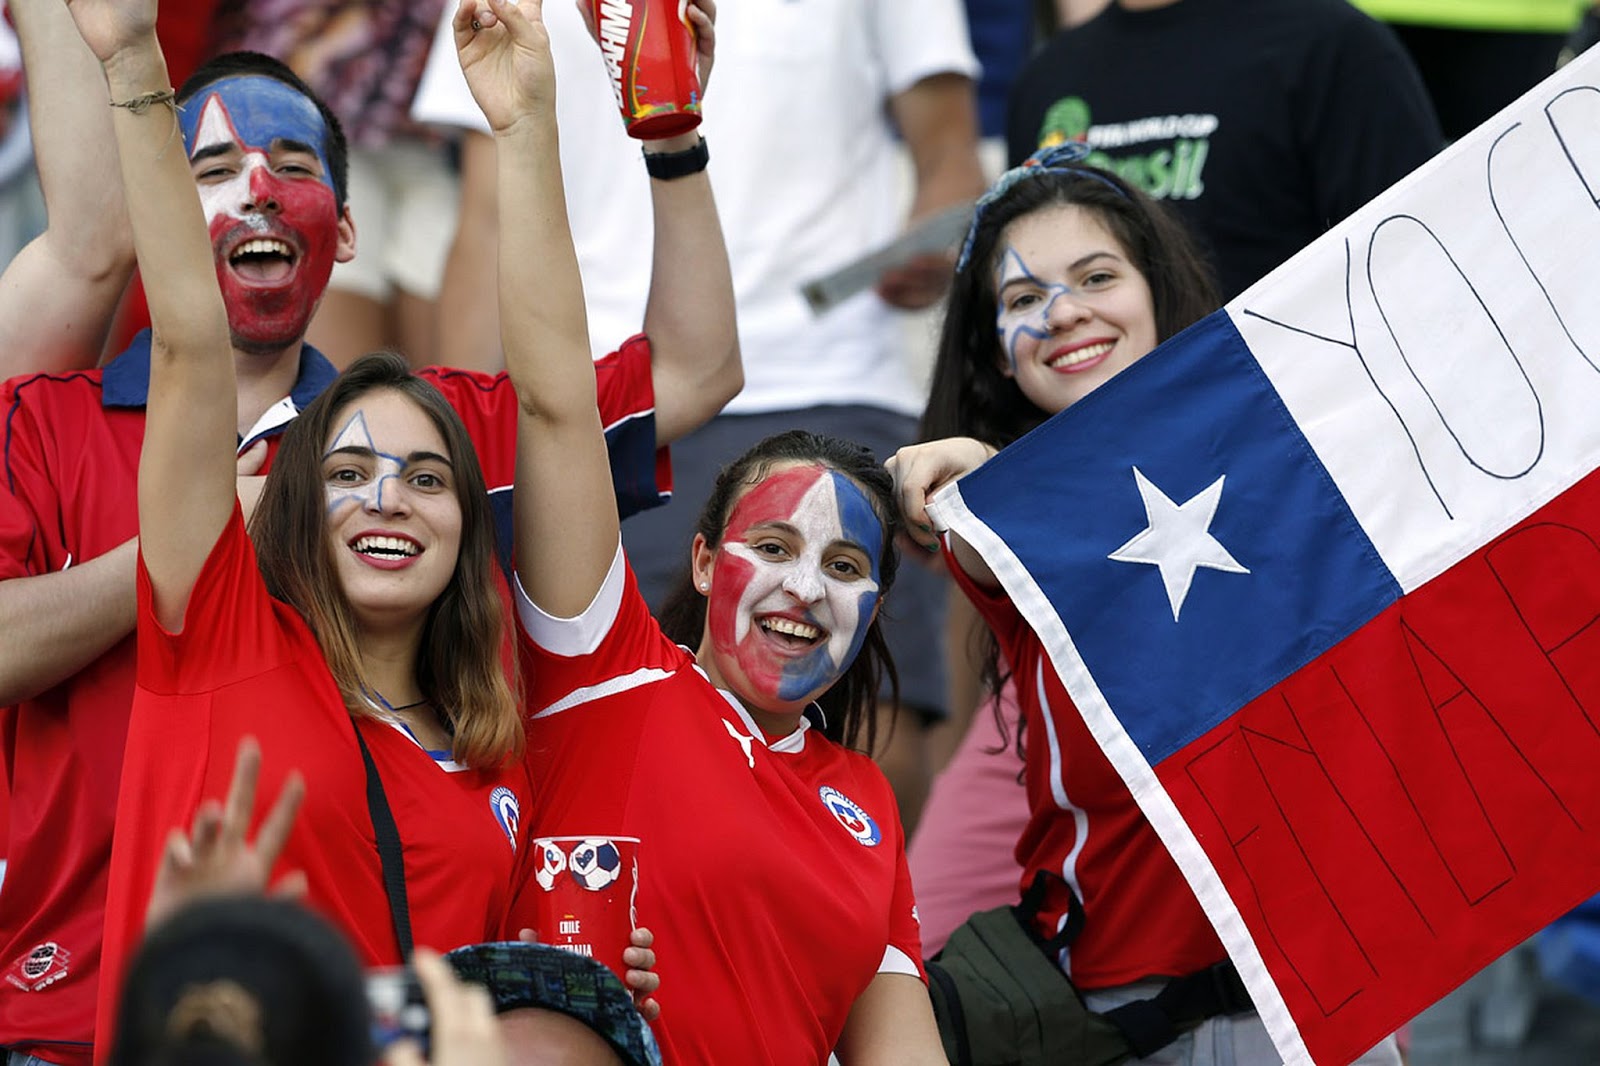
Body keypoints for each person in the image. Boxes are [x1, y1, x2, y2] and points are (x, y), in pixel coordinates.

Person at [0, 7, 731, 1065]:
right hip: (71, 1015)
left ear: (344, 231)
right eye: (208, 167)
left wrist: (667, 140)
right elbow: (187, 357)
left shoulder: (422, 427)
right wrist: (201, 551)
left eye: (290, 163)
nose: (255, 187)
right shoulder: (46, 421)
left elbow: (691, 370)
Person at [469, 0, 942, 1053]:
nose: (802, 587)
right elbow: (552, 406)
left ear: (874, 611)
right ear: (699, 556)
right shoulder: (607, 667)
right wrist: (562, 132)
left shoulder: (864, 799)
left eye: (845, 565)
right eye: (770, 547)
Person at [410, 0, 988, 829]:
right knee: (616, 736)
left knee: (872, 748)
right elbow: (483, 216)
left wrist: (931, 239)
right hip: (603, 405)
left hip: (833, 373)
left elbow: (949, 153)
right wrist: (463, 448)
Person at [891, 144, 1401, 1063]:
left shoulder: (1282, 448)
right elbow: (971, 518)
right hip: (1142, 1016)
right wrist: (962, 478)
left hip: (1332, 998)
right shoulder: (1009, 518)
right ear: (993, 359)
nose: (1065, 312)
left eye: (1096, 276)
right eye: (1020, 300)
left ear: (1157, 291)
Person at [1006, 0, 1444, 301]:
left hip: (1287, 414)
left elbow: (1412, 263)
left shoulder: (1332, 43)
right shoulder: (1046, 80)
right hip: (1101, 424)